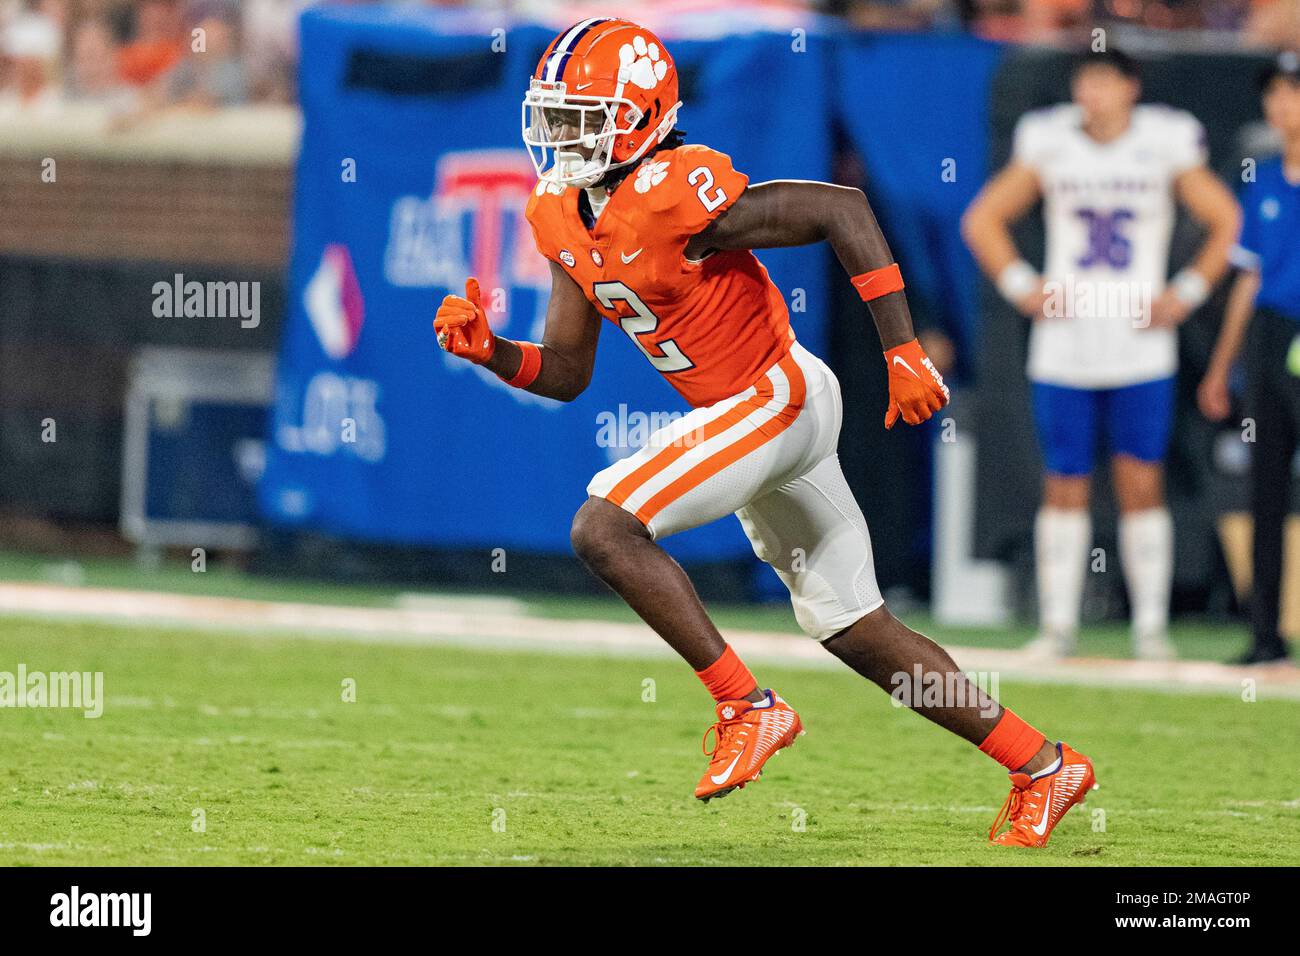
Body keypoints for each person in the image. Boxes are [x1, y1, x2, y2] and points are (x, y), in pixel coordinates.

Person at [436, 17, 1096, 847]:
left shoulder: (676, 189)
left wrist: (901, 348)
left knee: (604, 524)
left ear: (640, 114)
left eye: (582, 116)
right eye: (555, 117)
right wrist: (490, 350)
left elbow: (840, 209)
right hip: (750, 416)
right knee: (853, 626)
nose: (563, 137)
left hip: (774, 396)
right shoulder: (558, 211)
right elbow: (567, 371)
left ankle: (747, 705)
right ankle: (1043, 766)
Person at [962, 48, 1241, 661]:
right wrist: (1019, 285)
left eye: (1107, 81)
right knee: (1064, 482)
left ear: (1130, 88)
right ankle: (1058, 625)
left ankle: (1150, 629)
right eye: (1086, 80)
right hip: (1067, 339)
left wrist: (1186, 292)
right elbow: (983, 218)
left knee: (1141, 479)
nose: (1095, 93)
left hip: (1140, 338)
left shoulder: (1165, 140)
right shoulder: (1049, 139)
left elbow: (1226, 218)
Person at [1198, 51, 1300, 665]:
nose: (1282, 103)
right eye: (1276, 92)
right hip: (1270, 337)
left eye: (1293, 91)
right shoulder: (1261, 178)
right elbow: (1248, 278)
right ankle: (1266, 633)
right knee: (1265, 488)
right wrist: (1220, 367)